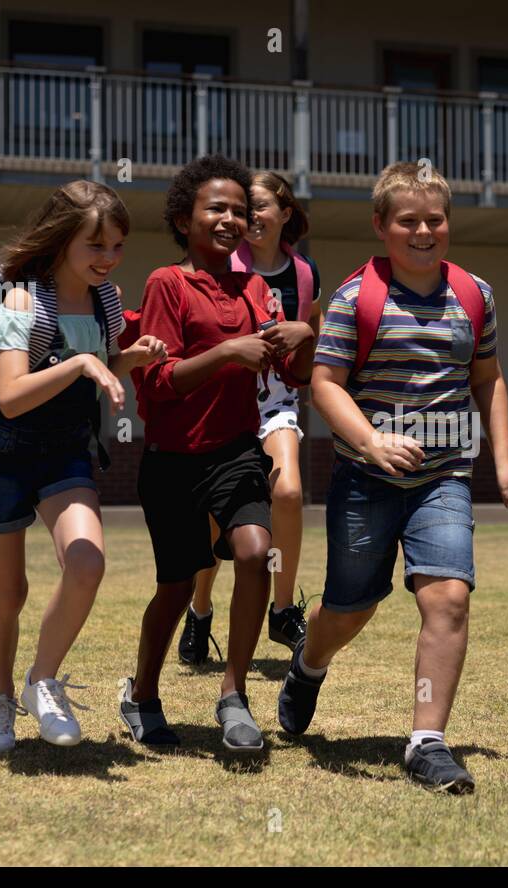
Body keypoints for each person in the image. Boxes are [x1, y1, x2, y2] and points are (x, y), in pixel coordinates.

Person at [275, 161, 508, 794]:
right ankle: (309, 664)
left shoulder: (475, 293)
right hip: (365, 479)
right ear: (381, 225)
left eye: (434, 219)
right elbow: (325, 384)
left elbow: (487, 378)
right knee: (350, 606)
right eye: (408, 220)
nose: (423, 231)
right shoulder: (354, 296)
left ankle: (427, 742)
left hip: (444, 477)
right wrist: (370, 440)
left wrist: (504, 459)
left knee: (448, 597)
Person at [120, 155, 314, 751]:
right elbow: (157, 382)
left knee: (256, 552)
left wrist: (305, 334)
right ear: (184, 220)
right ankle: (143, 695)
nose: (232, 218)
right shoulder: (166, 284)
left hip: (235, 451)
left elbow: (292, 373)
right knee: (177, 587)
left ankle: (234, 696)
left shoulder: (255, 287)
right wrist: (230, 351)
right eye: (217, 208)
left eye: (239, 208)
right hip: (173, 459)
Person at [0, 180, 166, 753]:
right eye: (95, 245)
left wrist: (127, 358)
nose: (107, 259)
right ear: (60, 241)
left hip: (64, 452)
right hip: (2, 453)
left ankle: (41, 681)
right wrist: (83, 363)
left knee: (87, 562)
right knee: (8, 593)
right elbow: (10, 396)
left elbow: (97, 368)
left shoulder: (104, 299)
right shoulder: (22, 299)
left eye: (117, 246)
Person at [179, 172, 323, 665]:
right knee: (222, 522)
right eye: (245, 208)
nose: (249, 217)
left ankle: (281, 611)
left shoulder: (304, 274)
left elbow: (312, 334)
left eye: (258, 207)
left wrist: (305, 334)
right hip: (228, 399)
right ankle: (199, 610)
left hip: (277, 396)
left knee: (287, 491)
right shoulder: (225, 266)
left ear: (285, 214)